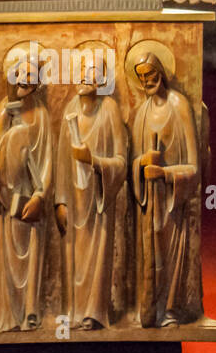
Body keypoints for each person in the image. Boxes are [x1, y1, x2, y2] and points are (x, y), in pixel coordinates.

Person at [54, 52, 128, 329]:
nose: (86, 75)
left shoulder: (109, 110)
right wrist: (59, 201)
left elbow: (120, 161)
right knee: (72, 256)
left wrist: (94, 161)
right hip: (73, 198)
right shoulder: (70, 109)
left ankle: (93, 313)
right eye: (83, 69)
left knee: (97, 257)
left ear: (103, 80)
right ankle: (72, 312)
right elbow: (62, 158)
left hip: (99, 199)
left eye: (94, 71)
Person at [129, 50, 199, 327]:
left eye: (151, 73)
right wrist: (143, 164)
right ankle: (148, 310)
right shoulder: (141, 114)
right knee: (148, 260)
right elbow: (134, 163)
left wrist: (166, 173)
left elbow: (193, 166)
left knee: (168, 260)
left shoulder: (178, 105)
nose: (147, 80)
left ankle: (170, 309)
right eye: (142, 77)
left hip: (172, 203)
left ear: (162, 71)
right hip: (148, 204)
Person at [0, 53, 54, 331]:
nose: (26, 80)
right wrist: (8, 194)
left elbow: (48, 157)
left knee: (33, 260)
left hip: (34, 199)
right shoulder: (3, 112)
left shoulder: (41, 114)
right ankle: (7, 315)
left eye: (31, 76)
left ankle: (29, 312)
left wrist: (40, 196)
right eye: (22, 74)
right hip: (9, 200)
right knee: (8, 259)